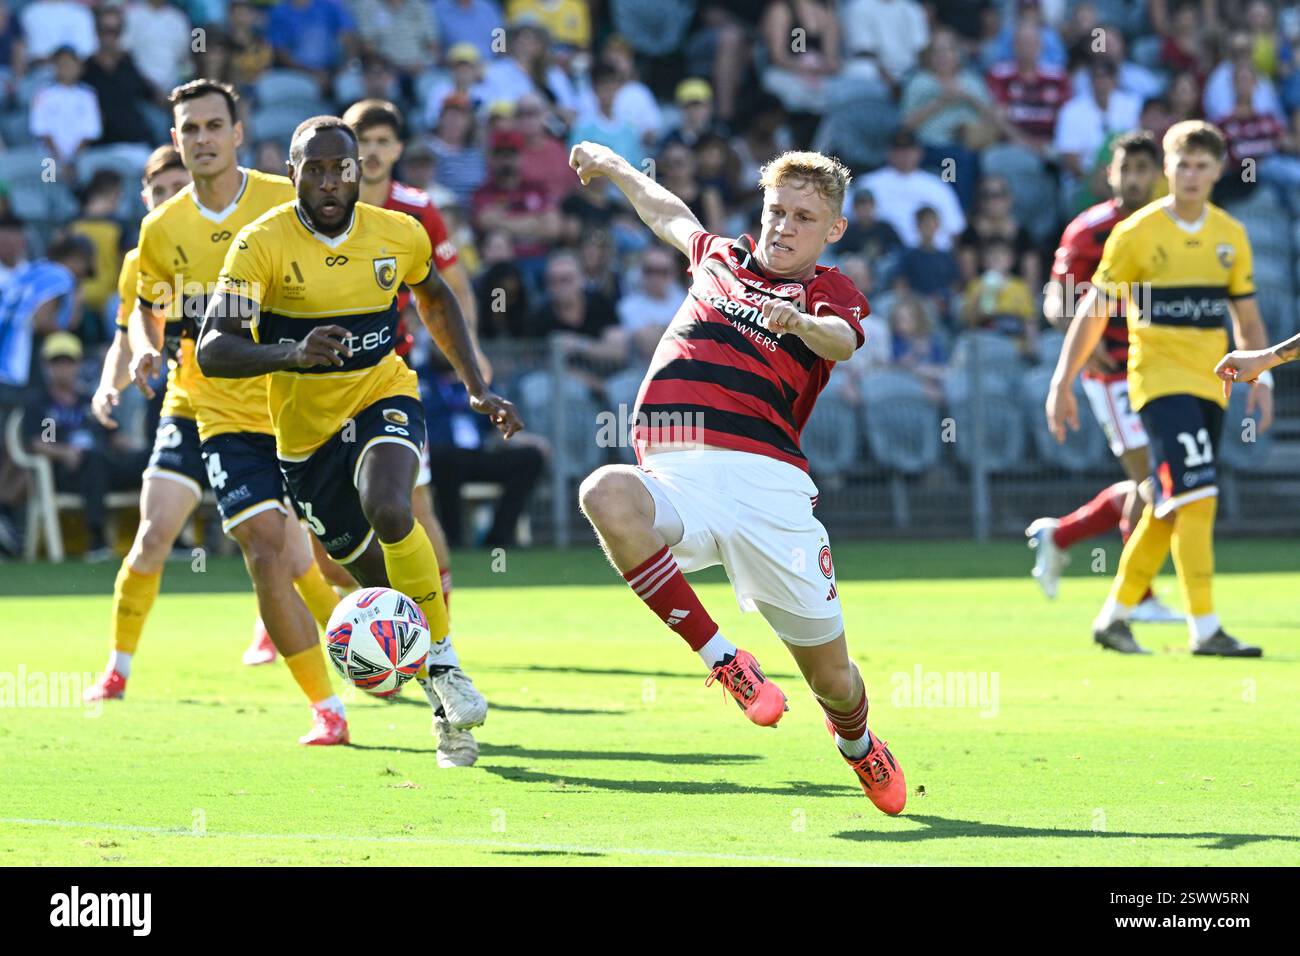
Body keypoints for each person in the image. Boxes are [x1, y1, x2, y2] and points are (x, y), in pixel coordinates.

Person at [569, 139, 906, 815]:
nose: (784, 225)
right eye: (777, 210)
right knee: (603, 492)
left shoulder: (828, 290)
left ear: (833, 229)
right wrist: (616, 168)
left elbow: (842, 341)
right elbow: (668, 214)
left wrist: (803, 322)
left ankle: (858, 743)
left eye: (804, 217)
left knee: (834, 679)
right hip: (675, 471)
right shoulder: (720, 257)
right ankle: (725, 659)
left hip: (768, 490)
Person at [195, 117, 519, 753]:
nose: (327, 181)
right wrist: (291, 352)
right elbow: (213, 348)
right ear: (292, 174)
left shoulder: (399, 233)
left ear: (359, 171)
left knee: (392, 505)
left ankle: (446, 663)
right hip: (305, 441)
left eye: (339, 168)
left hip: (381, 395)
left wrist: (475, 384)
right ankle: (441, 700)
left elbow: (436, 298)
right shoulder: (260, 245)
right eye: (311, 169)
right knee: (377, 582)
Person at [119, 80, 348, 743]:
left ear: (238, 134)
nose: (203, 138)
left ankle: (409, 653)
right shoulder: (162, 228)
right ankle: (325, 709)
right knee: (264, 546)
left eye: (214, 125)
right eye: (189, 129)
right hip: (218, 413)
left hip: (300, 406)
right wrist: (142, 349)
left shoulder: (285, 200)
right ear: (175, 141)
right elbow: (146, 305)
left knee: (332, 550)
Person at [1046, 120, 1273, 658]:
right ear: (1167, 169)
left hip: (1211, 383)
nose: (1192, 175)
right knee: (1199, 496)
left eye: (1202, 165)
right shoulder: (1136, 234)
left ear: (1219, 170)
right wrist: (1063, 380)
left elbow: (1247, 317)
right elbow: (1091, 311)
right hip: (1158, 382)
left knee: (1168, 501)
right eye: (1183, 164)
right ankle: (1207, 628)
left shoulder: (1229, 236)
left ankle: (1114, 617)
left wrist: (1262, 379)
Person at [341, 97, 487, 764]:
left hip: (387, 381)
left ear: (398, 148)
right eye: (360, 140)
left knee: (407, 508)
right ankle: (378, 632)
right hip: (306, 400)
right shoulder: (308, 207)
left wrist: (473, 363)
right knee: (321, 536)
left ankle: (436, 640)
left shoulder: (414, 210)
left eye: (381, 140)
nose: (371, 152)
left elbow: (447, 285)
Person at [1026, 130, 1180, 623]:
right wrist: (1080, 342)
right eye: (1125, 169)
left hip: (1159, 368)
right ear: (1109, 174)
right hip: (1113, 373)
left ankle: (1061, 536)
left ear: (1156, 175)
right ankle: (1139, 597)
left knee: (1153, 483)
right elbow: (1056, 300)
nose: (1133, 178)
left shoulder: (1170, 228)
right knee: (1156, 482)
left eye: (1142, 169)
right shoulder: (1088, 230)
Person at [24, 332, 150, 560]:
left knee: (152, 458)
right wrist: (64, 453)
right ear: (47, 366)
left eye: (68, 362)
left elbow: (115, 435)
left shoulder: (90, 401)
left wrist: (134, 449)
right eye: (57, 362)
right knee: (93, 459)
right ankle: (96, 539)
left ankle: (169, 537)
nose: (63, 368)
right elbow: (37, 443)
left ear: (78, 364)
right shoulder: (41, 405)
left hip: (104, 464)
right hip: (68, 472)